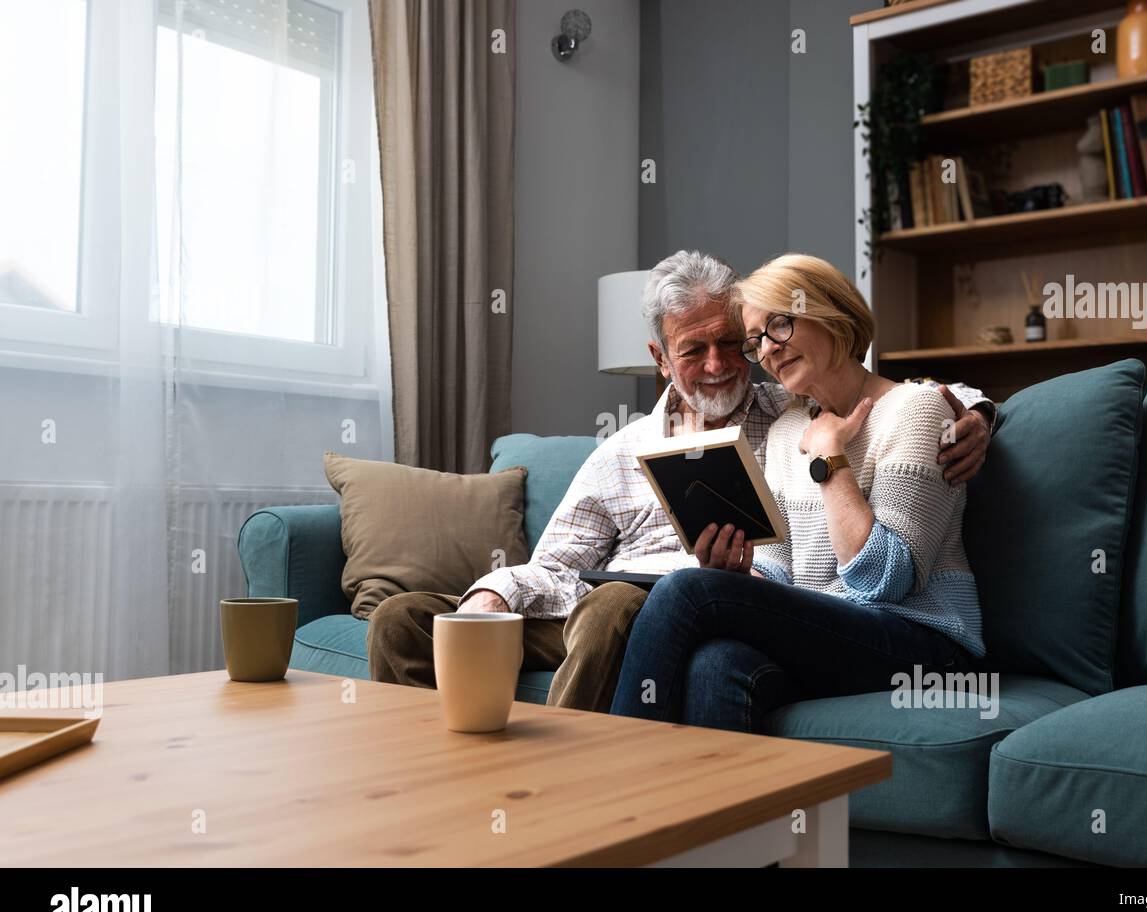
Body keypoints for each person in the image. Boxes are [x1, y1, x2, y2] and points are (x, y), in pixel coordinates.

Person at [369, 250, 993, 713]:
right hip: (619, 612)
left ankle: (574, 788)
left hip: (656, 610)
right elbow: (557, 564)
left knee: (620, 606)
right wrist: (496, 593)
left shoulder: (786, 409)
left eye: (733, 343)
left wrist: (977, 416)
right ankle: (438, 785)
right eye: (694, 351)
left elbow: (902, 402)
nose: (720, 364)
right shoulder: (625, 450)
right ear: (660, 359)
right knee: (400, 619)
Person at [609, 253, 984, 732]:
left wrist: (830, 459)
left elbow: (883, 580)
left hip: (924, 643)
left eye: (780, 326)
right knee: (716, 663)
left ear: (832, 315)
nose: (768, 350)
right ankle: (709, 786)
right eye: (755, 341)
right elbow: (776, 567)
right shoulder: (787, 430)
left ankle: (620, 766)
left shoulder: (916, 410)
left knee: (684, 590)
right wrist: (739, 577)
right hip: (836, 635)